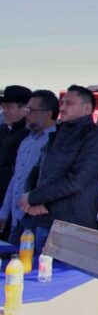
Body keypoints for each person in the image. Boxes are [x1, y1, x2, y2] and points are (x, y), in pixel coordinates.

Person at [21, 85, 98, 252]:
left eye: (69, 103)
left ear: (87, 108)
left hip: (71, 226)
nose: (62, 107)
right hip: (42, 219)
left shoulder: (96, 138)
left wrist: (34, 197)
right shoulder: (58, 133)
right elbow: (37, 171)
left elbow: (77, 181)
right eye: (62, 102)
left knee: (64, 276)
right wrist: (31, 201)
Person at [0, 90, 57, 244]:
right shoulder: (27, 141)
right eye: (26, 110)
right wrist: (4, 211)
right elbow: (16, 178)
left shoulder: (57, 141)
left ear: (47, 113)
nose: (27, 114)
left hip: (38, 218)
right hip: (16, 216)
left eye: (31, 110)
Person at [0, 85, 32, 225]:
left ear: (24, 108)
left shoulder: (30, 135)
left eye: (9, 107)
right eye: (3, 106)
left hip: (16, 200)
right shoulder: (3, 130)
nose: (5, 111)